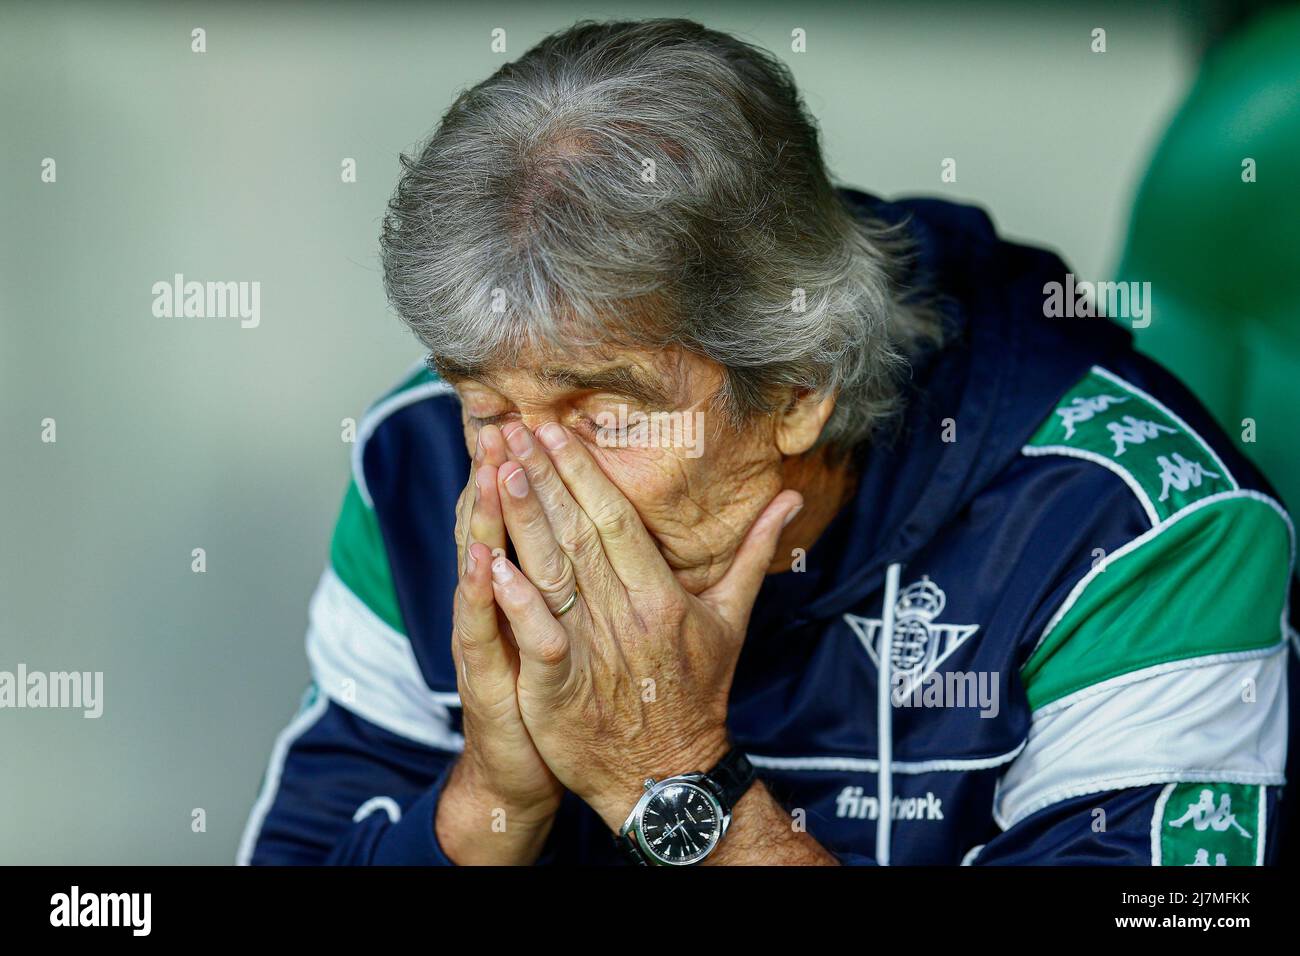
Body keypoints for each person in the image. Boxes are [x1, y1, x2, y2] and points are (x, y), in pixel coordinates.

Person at [240, 19, 1294, 865]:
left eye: (607, 417)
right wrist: (486, 810)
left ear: (799, 388)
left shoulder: (1138, 529)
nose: (526, 485)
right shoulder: (420, 463)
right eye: (484, 404)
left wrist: (677, 782)